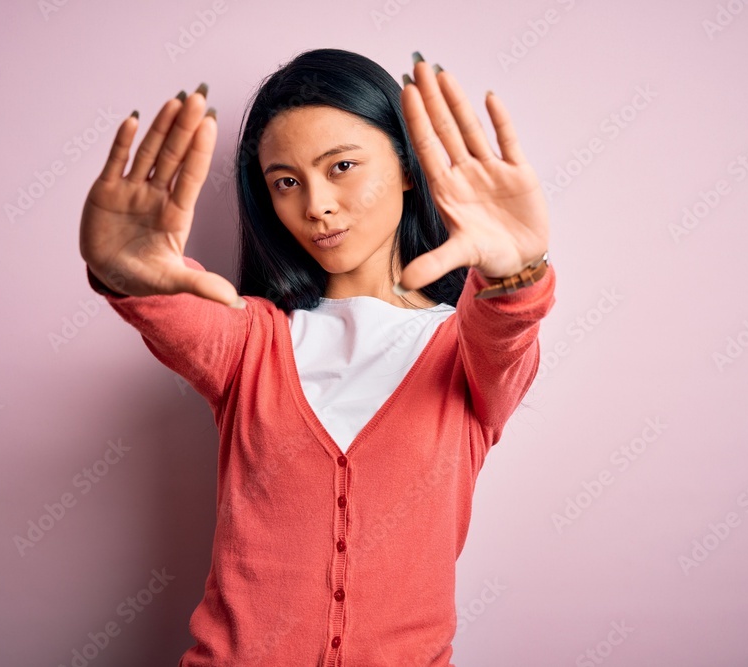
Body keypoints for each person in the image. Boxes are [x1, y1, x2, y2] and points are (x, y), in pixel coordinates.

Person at [79, 48, 555, 667]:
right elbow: (166, 305)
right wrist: (125, 273)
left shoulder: (465, 350)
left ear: (409, 169)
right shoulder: (250, 342)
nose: (316, 205)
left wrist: (518, 271)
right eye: (286, 182)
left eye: (343, 166)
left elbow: (509, 325)